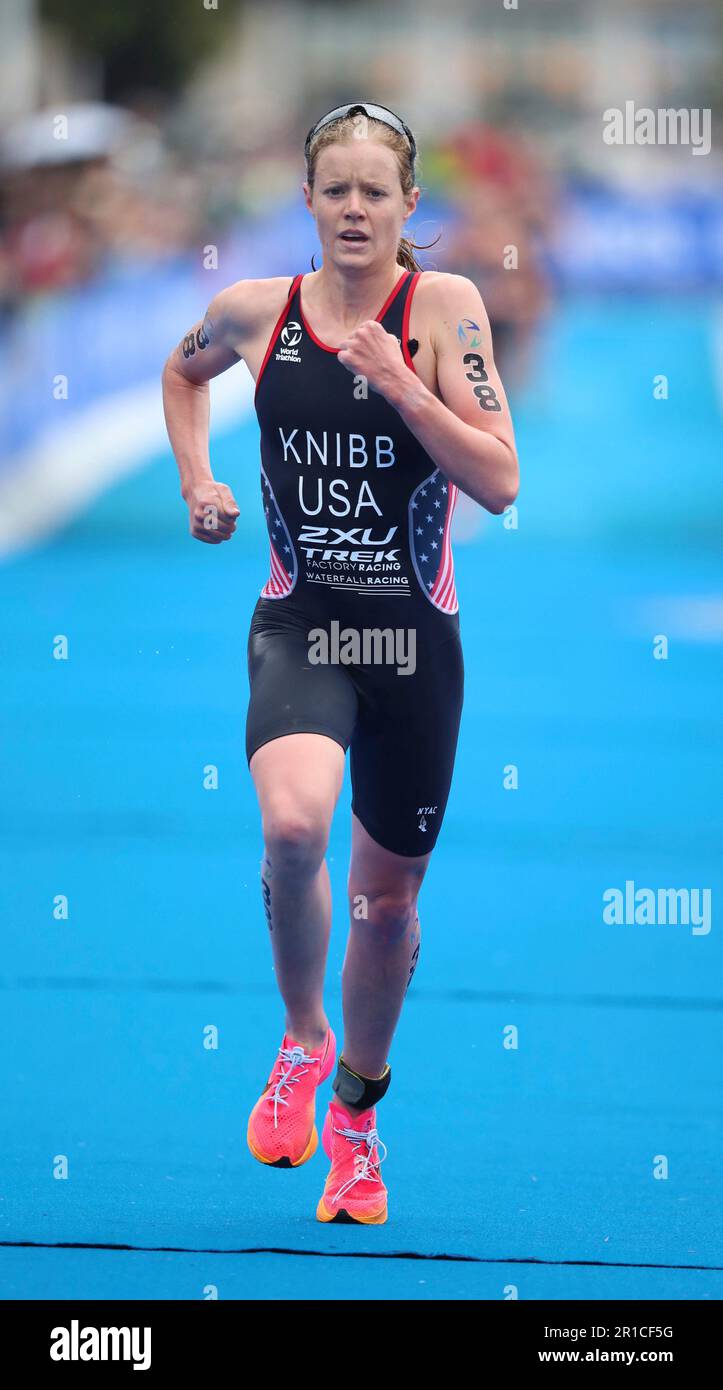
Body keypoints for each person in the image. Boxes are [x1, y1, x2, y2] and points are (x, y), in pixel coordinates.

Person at [162, 101, 518, 1225]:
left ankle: (357, 1115)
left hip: (413, 640)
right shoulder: (252, 312)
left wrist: (403, 383)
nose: (356, 208)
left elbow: (501, 480)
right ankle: (303, 1039)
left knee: (383, 902)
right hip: (304, 618)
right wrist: (199, 485)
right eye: (336, 189)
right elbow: (183, 375)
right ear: (306, 200)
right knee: (291, 825)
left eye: (378, 191)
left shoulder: (446, 309)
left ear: (411, 206)